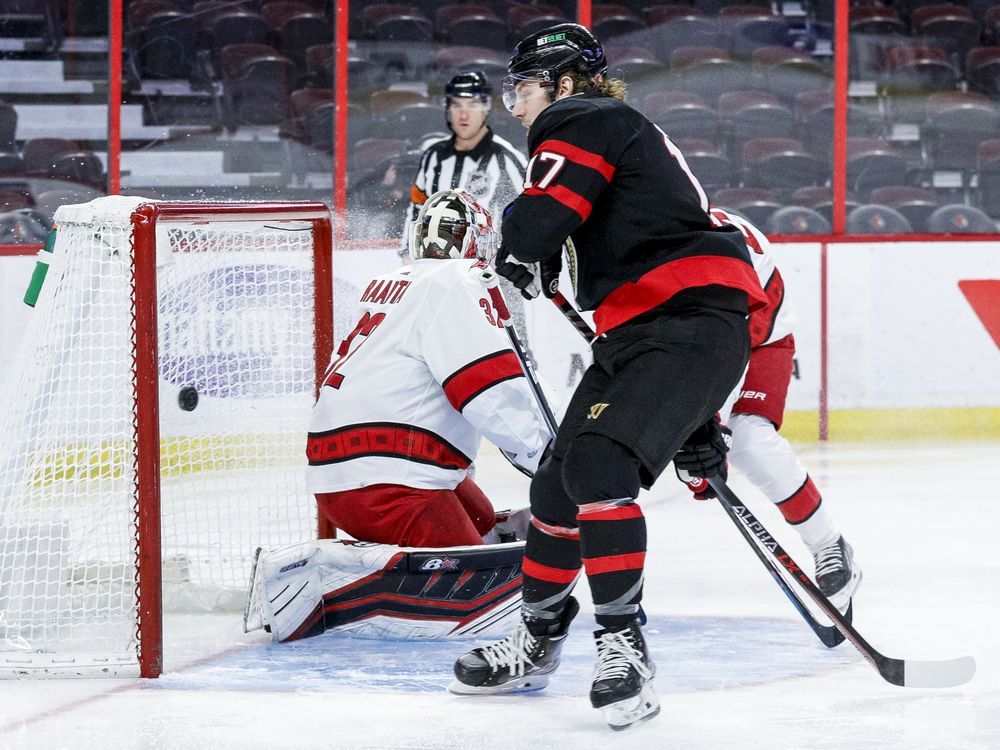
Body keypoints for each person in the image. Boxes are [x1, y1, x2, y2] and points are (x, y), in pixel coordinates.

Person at [448, 24, 768, 731]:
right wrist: (690, 417)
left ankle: (624, 644)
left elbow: (545, 216)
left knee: (597, 468)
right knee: (556, 487)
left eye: (524, 89)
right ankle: (537, 640)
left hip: (684, 326)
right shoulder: (613, 127)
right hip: (655, 332)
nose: (517, 107)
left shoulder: (582, 116)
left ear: (562, 83)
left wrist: (518, 243)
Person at [306, 189, 550, 548]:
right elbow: (487, 388)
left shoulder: (389, 282)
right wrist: (546, 456)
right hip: (393, 484)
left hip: (335, 479)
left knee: (482, 518)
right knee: (478, 575)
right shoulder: (458, 279)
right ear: (476, 240)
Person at [677, 207, 861, 612]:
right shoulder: (646, 233)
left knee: (749, 439)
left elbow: (731, 346)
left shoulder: (728, 244)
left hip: (758, 343)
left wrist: (708, 423)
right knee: (686, 460)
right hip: (692, 345)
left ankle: (828, 543)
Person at [401, 71, 527, 256]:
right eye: (457, 105)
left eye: (473, 105)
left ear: (486, 108)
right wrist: (407, 254)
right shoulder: (433, 157)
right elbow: (417, 209)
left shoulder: (507, 159)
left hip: (490, 274)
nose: (463, 114)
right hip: (437, 268)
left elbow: (525, 222)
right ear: (448, 108)